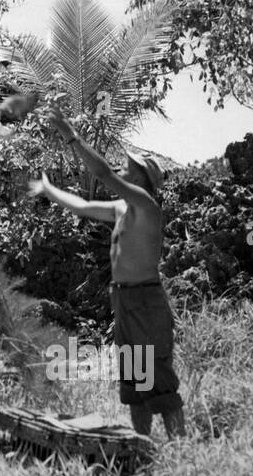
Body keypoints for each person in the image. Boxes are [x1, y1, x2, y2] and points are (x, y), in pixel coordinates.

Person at [28, 107, 186, 439]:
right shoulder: (121, 208)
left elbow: (102, 174)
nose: (121, 171)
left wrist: (68, 132)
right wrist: (48, 189)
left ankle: (181, 450)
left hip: (145, 301)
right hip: (124, 302)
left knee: (158, 377)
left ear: (142, 180)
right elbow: (81, 207)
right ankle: (140, 445)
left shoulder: (145, 205)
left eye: (127, 170)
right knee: (134, 381)